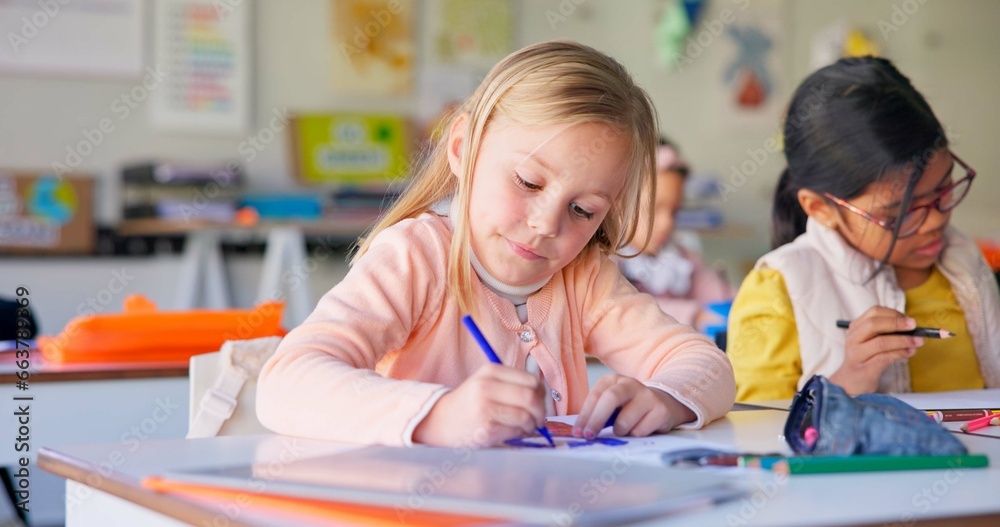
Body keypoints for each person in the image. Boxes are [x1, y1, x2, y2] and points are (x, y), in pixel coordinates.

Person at [257, 40, 735, 447]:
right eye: (528, 182)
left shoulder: (584, 277)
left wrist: (666, 399)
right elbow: (286, 383)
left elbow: (708, 366)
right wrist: (438, 415)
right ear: (464, 148)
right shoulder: (415, 257)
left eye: (583, 210)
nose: (547, 224)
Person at [727, 56, 1000, 401]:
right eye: (898, 214)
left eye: (943, 190)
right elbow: (755, 435)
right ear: (821, 209)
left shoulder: (963, 262)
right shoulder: (779, 290)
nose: (935, 222)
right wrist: (848, 380)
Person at [619, 137, 735, 330]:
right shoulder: (607, 262)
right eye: (654, 209)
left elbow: (717, 292)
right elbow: (623, 308)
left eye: (675, 210)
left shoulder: (682, 257)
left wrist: (750, 298)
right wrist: (695, 315)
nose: (667, 222)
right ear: (619, 203)